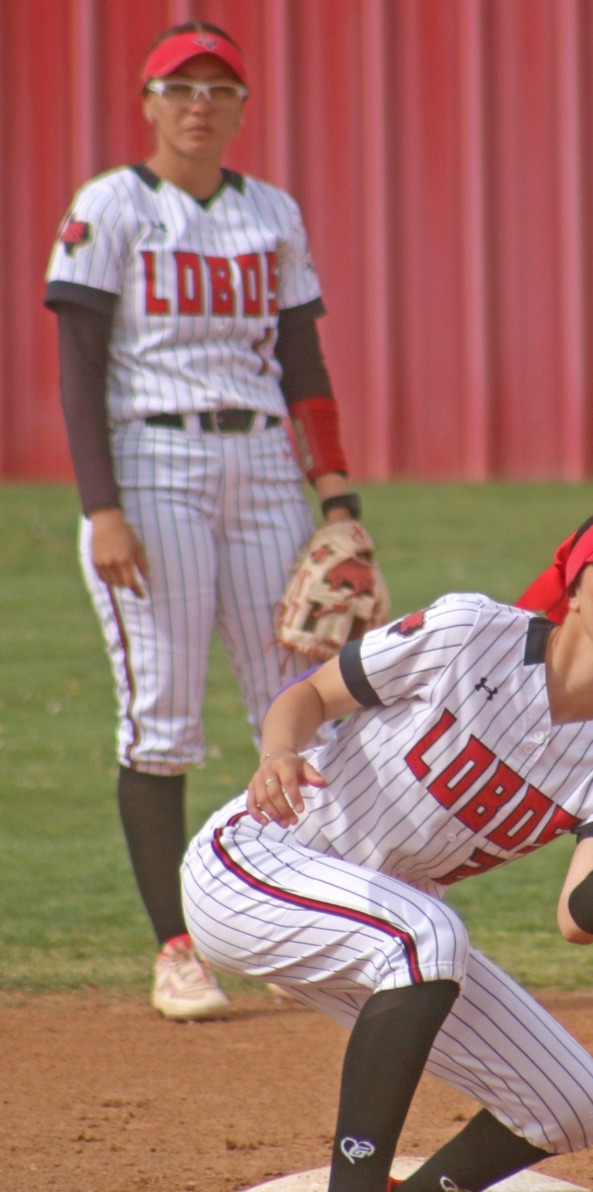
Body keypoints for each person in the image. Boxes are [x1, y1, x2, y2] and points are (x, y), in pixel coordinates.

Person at [181, 507, 593, 1192]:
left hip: (383, 937)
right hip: (251, 867)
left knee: (572, 1103)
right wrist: (279, 753)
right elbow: (310, 692)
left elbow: (580, 916)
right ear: (575, 588)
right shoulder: (472, 632)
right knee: (429, 934)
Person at [44, 22, 362, 1021]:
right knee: (164, 715)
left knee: (296, 699)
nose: (199, 104)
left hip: (263, 462)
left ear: (240, 108)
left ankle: (288, 930)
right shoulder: (112, 206)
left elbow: (304, 364)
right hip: (154, 463)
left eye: (219, 89)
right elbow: (79, 369)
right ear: (148, 103)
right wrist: (102, 508)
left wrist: (338, 501)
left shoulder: (271, 212)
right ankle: (177, 950)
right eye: (180, 87)